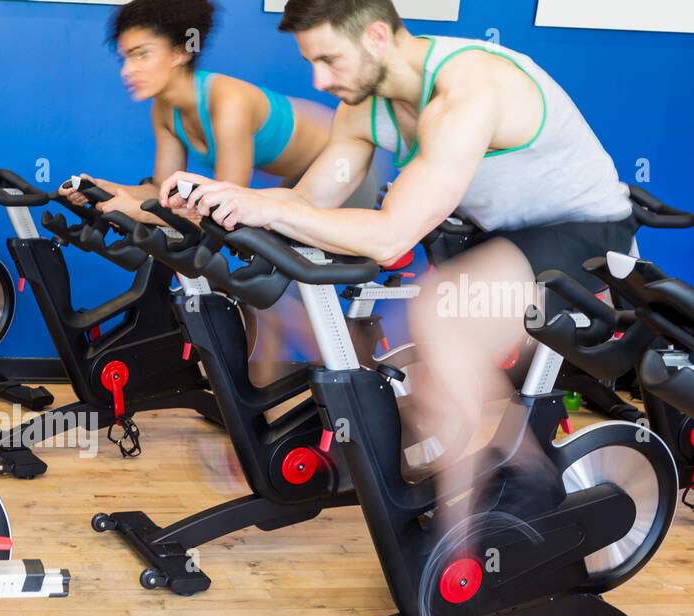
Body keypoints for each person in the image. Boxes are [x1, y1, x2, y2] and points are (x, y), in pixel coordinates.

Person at [163, 0, 637, 520]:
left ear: (376, 37)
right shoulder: (364, 106)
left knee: (441, 315)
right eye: (311, 63)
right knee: (430, 363)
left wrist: (261, 208)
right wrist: (223, 197)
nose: (319, 81)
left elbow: (390, 237)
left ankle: (465, 528)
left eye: (329, 60)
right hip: (499, 232)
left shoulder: (468, 89)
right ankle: (513, 481)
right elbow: (312, 200)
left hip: (591, 235)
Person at [65, 0, 383, 381]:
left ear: (181, 52)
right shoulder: (165, 110)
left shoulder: (226, 100)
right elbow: (157, 187)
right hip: (298, 185)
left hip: (346, 177)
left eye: (141, 55)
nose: (128, 70)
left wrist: (135, 209)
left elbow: (222, 208)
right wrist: (103, 189)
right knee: (264, 294)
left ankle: (362, 376)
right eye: (125, 58)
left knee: (279, 293)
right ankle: (259, 412)